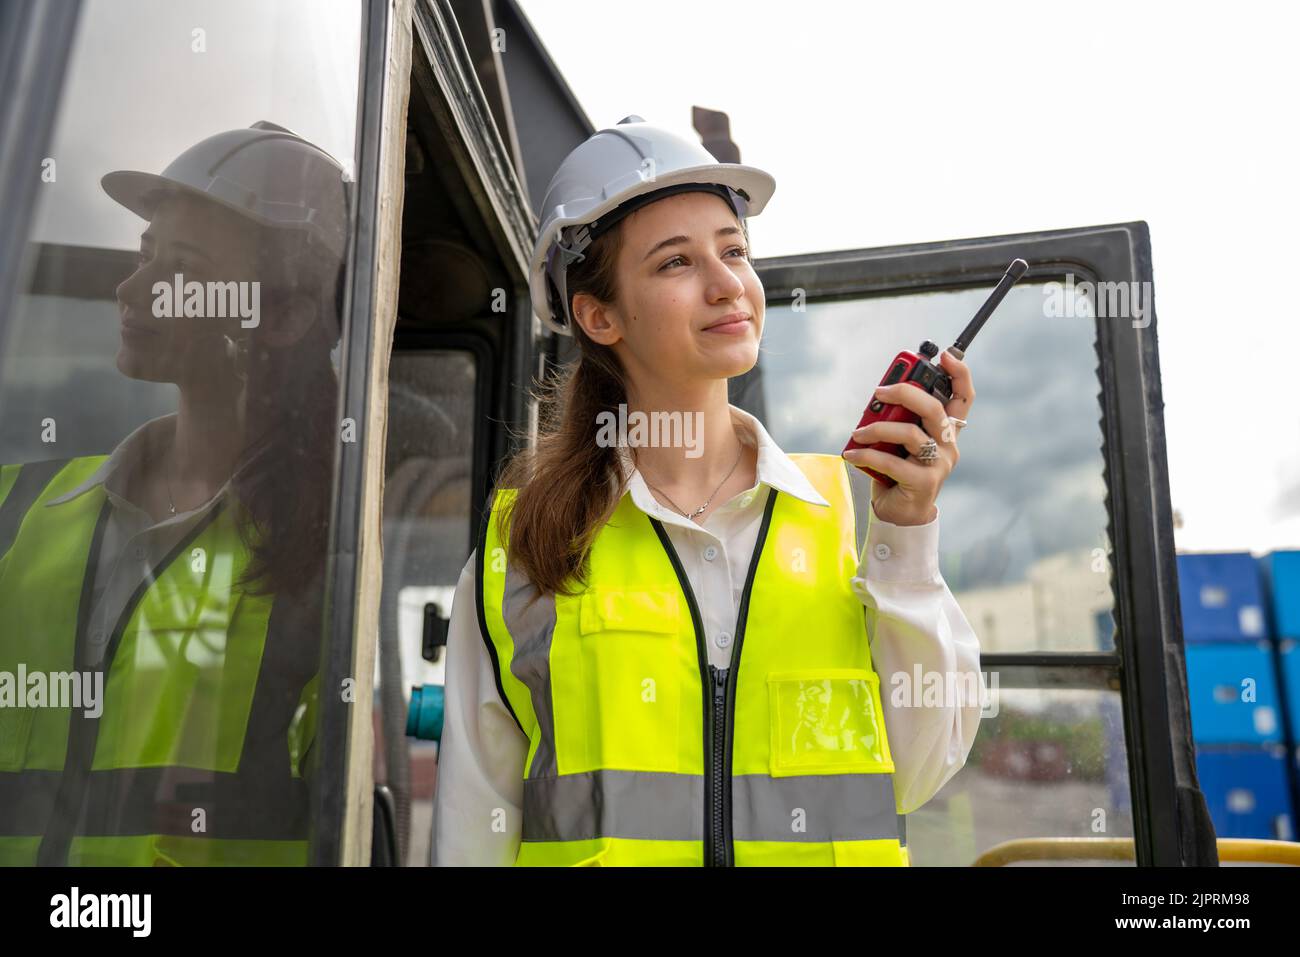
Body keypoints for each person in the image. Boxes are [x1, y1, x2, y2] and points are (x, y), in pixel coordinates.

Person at [431, 116, 984, 867]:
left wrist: (910, 533)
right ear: (600, 315)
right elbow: (472, 830)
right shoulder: (522, 551)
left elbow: (920, 771)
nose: (728, 284)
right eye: (676, 263)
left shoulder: (854, 520)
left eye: (734, 251)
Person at [0, 121, 346, 866]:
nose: (131, 290)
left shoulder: (326, 554)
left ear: (281, 316)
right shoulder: (14, 513)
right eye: (144, 255)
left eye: (181, 269)